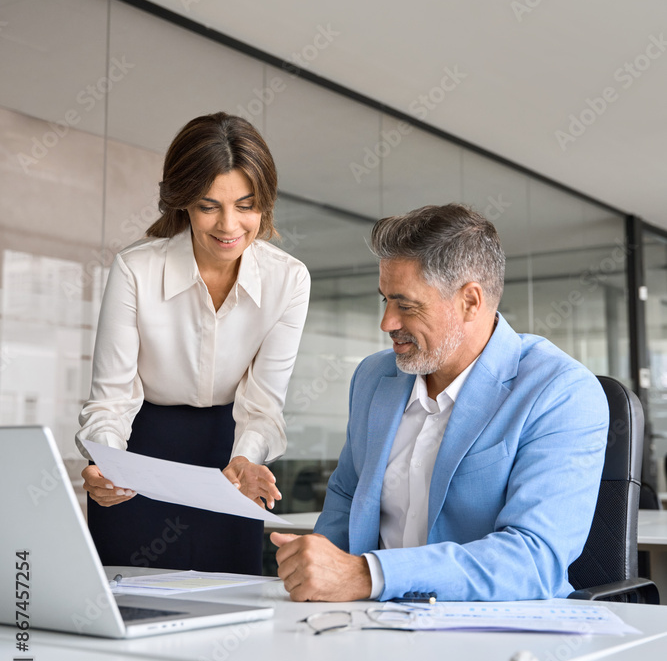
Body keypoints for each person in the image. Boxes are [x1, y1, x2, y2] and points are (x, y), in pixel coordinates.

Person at [271, 203, 609, 602]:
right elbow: (346, 497)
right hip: (365, 622)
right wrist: (316, 573)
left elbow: (533, 559)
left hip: (492, 634)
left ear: (470, 301)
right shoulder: (373, 378)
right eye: (385, 301)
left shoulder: (561, 393)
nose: (387, 324)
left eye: (406, 305)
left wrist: (370, 575)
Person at [78, 112, 310, 574]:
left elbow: (264, 405)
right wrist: (107, 461)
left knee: (233, 603)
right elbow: (111, 399)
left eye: (246, 205)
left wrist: (246, 458)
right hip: (139, 452)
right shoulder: (135, 270)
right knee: (131, 598)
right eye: (209, 206)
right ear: (182, 202)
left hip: (231, 458)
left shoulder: (289, 279)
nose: (229, 226)